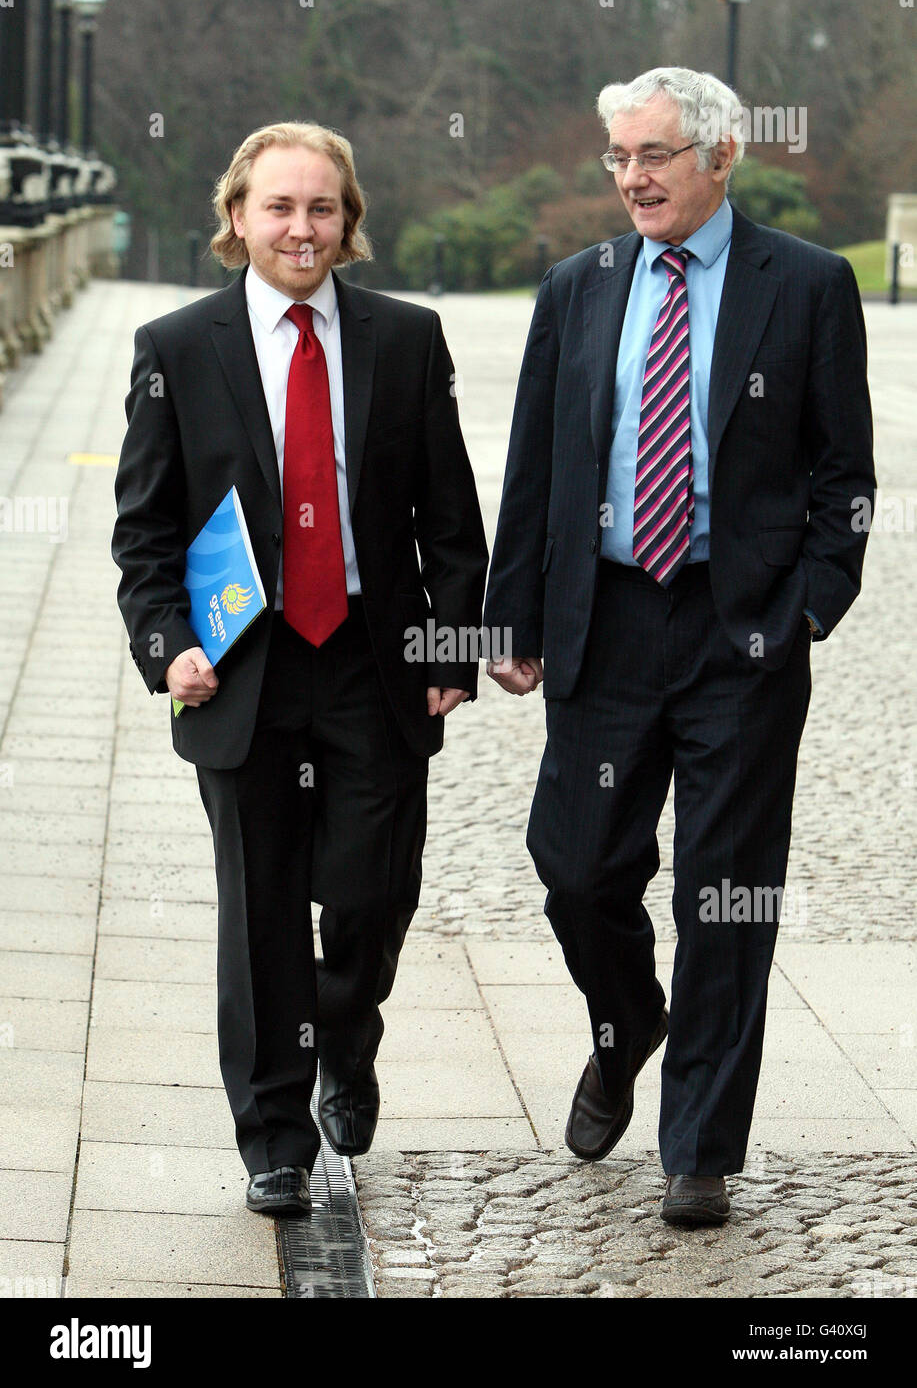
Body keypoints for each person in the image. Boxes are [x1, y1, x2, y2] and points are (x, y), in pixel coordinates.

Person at [483, 67, 874, 1226]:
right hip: (602, 622)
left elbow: (841, 471)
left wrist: (811, 600)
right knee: (577, 867)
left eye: (652, 154)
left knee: (727, 894)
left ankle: (698, 1143)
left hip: (736, 628)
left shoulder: (803, 285)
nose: (630, 178)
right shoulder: (578, 285)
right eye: (616, 158)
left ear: (718, 156)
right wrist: (510, 618)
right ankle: (625, 1025)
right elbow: (535, 465)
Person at [111, 122, 487, 1218]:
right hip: (244, 668)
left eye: (321, 208)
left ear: (348, 221)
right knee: (261, 909)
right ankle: (273, 1136)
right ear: (237, 218)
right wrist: (163, 642)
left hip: (373, 656)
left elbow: (449, 517)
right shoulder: (177, 347)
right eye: (278, 207)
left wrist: (451, 643)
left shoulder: (405, 339)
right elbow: (144, 531)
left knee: (370, 894)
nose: (300, 228)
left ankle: (346, 1037)